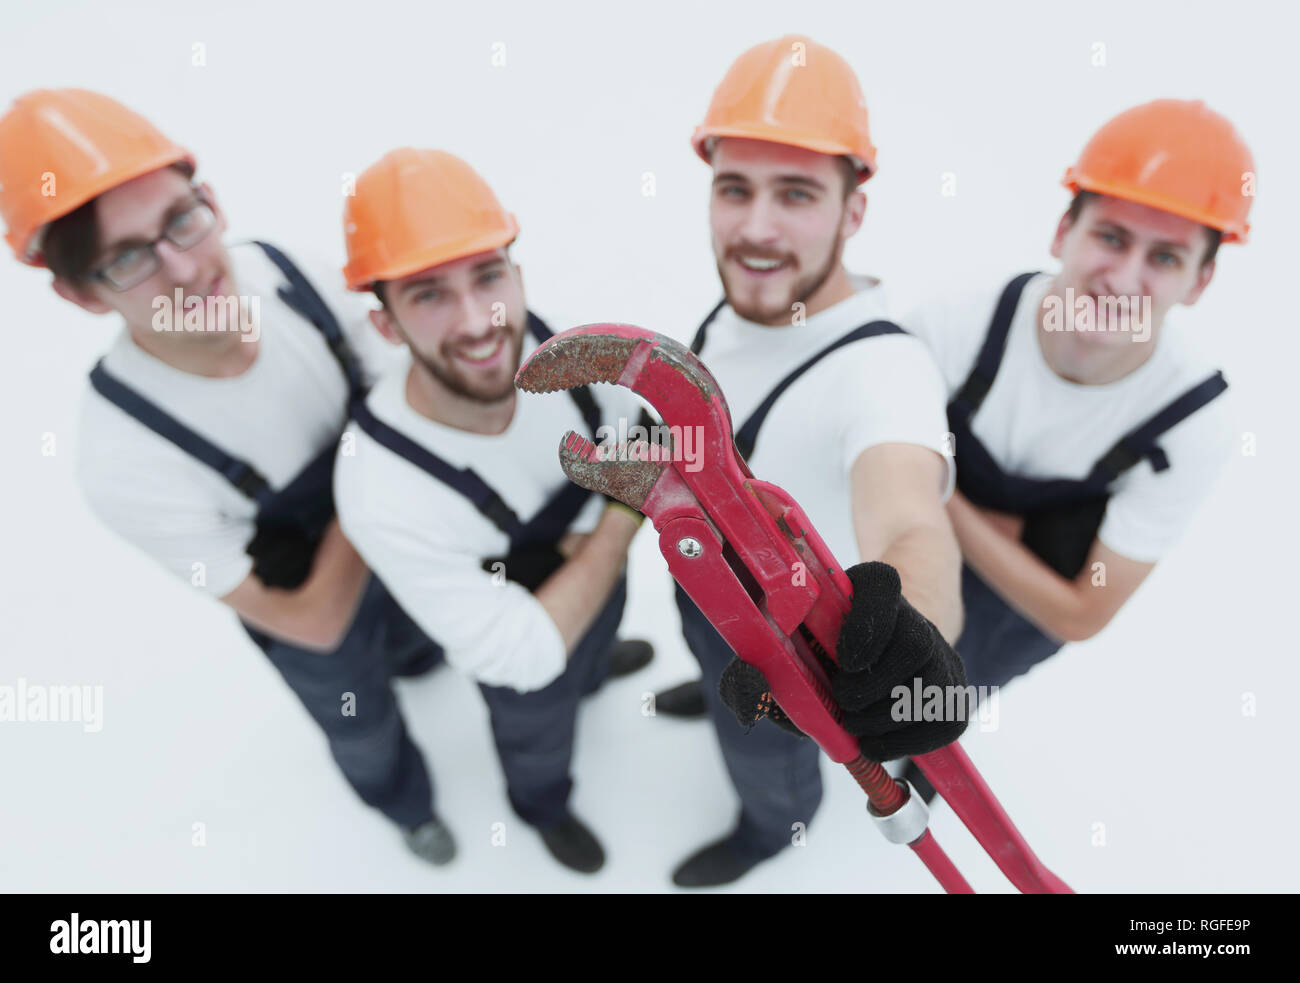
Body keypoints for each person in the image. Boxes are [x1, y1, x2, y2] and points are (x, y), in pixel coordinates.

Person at [0, 89, 455, 865]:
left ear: (210, 198)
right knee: (361, 722)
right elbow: (311, 619)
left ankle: (421, 658)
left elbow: (413, 394)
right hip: (318, 610)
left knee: (423, 632)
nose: (186, 268)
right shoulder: (125, 459)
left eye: (183, 219)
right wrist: (377, 463)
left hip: (400, 536)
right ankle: (406, 805)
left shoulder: (289, 273)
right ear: (78, 293)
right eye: (128, 258)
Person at [654, 35, 969, 887]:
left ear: (853, 211)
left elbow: (912, 520)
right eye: (735, 189)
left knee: (767, 755)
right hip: (711, 595)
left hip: (796, 652)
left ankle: (769, 830)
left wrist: (914, 637)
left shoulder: (884, 368)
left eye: (796, 193)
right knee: (712, 673)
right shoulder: (743, 307)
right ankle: (706, 686)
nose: (756, 228)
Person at [895, 100, 1252, 801]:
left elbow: (1079, 613)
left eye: (1165, 257)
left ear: (1200, 281)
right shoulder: (956, 325)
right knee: (825, 651)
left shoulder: (1192, 423)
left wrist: (944, 496)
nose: (1123, 277)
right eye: (1111, 237)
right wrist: (993, 532)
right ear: (1064, 231)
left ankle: (923, 762)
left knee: (933, 710)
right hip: (903, 538)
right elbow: (853, 457)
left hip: (1007, 620)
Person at [332, 148, 653, 874]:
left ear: (519, 275)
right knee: (537, 729)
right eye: (429, 295)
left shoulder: (579, 355)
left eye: (487, 276)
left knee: (595, 641)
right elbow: (522, 655)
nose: (479, 322)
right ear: (386, 325)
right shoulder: (380, 486)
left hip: (594, 584)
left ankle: (595, 669)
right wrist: (619, 520)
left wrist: (594, 552)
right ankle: (543, 808)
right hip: (522, 644)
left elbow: (637, 431)